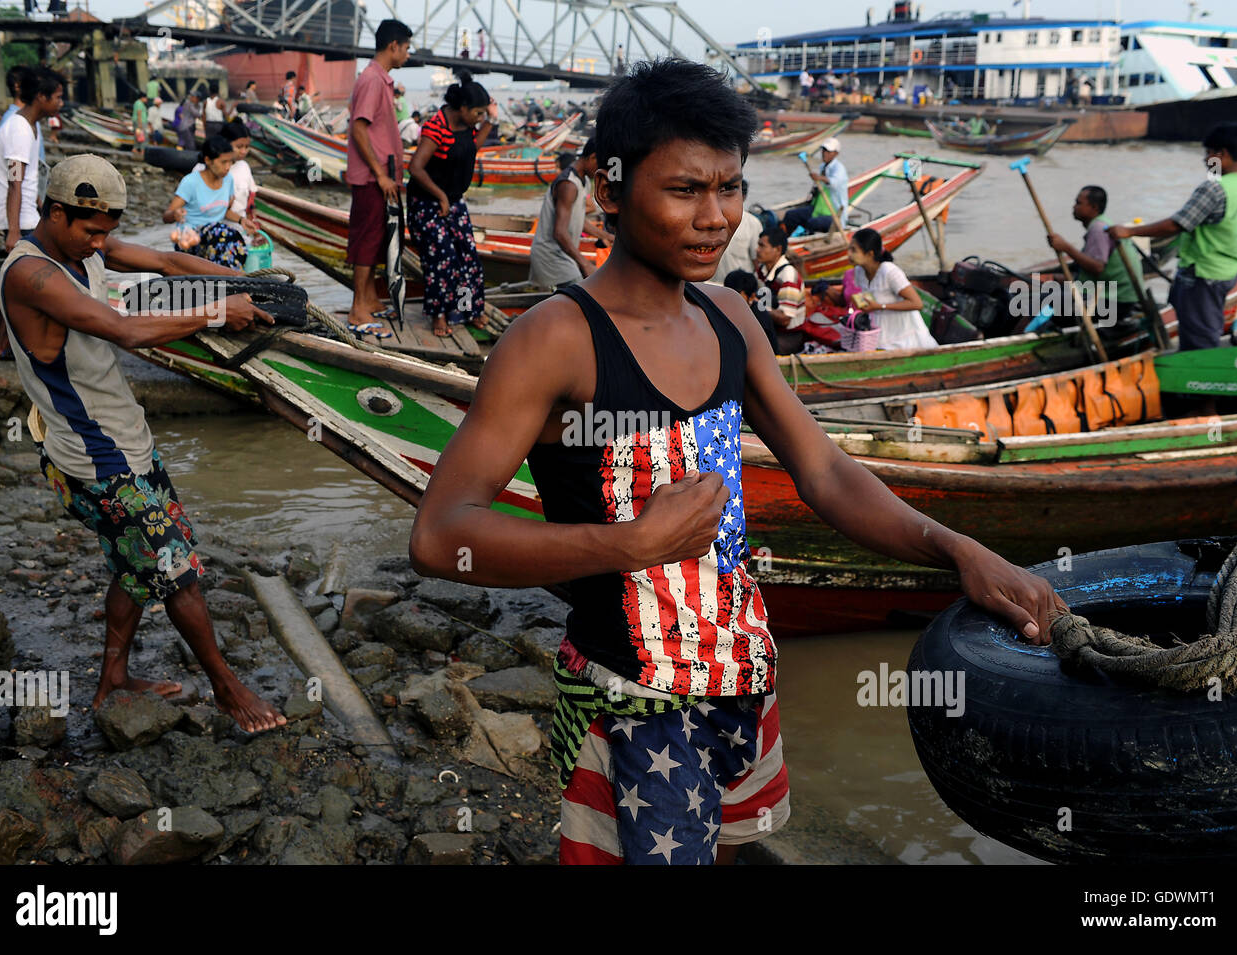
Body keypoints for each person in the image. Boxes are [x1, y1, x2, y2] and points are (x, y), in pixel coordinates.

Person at [406, 59, 1063, 866]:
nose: (715, 217)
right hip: (633, 698)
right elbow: (442, 535)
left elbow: (825, 472)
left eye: (731, 188)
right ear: (610, 191)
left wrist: (955, 548)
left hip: (744, 673)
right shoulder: (553, 340)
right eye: (685, 190)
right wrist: (624, 546)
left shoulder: (728, 319)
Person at [0, 155, 285, 734]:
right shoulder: (31, 275)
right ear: (55, 212)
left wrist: (246, 287)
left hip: (126, 440)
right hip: (94, 461)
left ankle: (113, 681)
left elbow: (167, 260)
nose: (102, 242)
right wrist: (213, 315)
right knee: (176, 569)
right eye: (91, 231)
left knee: (135, 565)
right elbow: (122, 328)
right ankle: (229, 692)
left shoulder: (84, 247)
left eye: (107, 231)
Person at [1108, 123, 1237, 352]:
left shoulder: (1214, 188)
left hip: (1203, 273)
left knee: (1200, 338)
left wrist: (1129, 231)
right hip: (1229, 270)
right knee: (1204, 324)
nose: (1205, 160)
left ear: (1222, 154)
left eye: (1209, 154)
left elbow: (1176, 224)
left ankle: (1202, 381)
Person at [406, 71, 498, 337]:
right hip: (427, 202)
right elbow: (416, 167)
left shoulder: (468, 125)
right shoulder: (437, 127)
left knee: (468, 257)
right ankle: (439, 315)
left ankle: (468, 309)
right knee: (442, 258)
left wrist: (491, 121)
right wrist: (441, 196)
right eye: (478, 114)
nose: (479, 119)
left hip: (454, 201)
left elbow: (471, 147)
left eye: (483, 115)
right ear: (464, 108)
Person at [0, 68, 64, 360]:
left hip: (29, 212)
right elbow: (14, 180)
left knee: (20, 284)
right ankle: (5, 346)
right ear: (41, 97)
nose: (61, 104)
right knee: (19, 286)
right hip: (19, 218)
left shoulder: (31, 125)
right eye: (57, 97)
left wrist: (41, 204)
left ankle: (9, 345)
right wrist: (14, 230)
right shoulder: (18, 129)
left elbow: (28, 178)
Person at [345, 18, 412, 330]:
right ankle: (358, 307)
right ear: (393, 46)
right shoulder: (373, 79)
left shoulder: (379, 79)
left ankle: (370, 298)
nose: (408, 54)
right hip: (373, 178)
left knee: (375, 239)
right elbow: (358, 127)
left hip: (380, 177)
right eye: (407, 47)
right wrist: (381, 174)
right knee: (367, 240)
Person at [1046, 185, 1142, 327]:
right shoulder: (1102, 224)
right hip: (1114, 296)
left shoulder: (1098, 229)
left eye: (1079, 203)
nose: (1074, 207)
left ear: (1094, 208)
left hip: (1115, 303)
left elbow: (1097, 267)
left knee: (1042, 305)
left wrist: (1065, 247)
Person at [163, 136, 256, 269]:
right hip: (191, 239)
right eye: (223, 162)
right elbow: (166, 216)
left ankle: (231, 279)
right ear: (208, 160)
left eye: (230, 162)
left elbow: (224, 210)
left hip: (215, 240)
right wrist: (175, 214)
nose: (228, 167)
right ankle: (229, 279)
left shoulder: (228, 180)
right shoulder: (191, 182)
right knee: (225, 235)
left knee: (233, 240)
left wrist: (242, 220)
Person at [840, 226, 937, 350]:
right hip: (880, 334)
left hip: (905, 337)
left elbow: (917, 303)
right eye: (849, 249)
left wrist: (880, 306)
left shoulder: (889, 271)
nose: (849, 254)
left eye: (854, 250)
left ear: (870, 254)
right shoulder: (858, 272)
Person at [529, 140, 610, 288]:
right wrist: (585, 264)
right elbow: (559, 233)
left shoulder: (583, 181)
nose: (602, 171)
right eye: (601, 166)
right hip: (550, 256)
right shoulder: (568, 185)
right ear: (592, 158)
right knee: (580, 292)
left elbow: (578, 220)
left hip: (564, 254)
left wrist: (606, 236)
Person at [191, 119, 257, 221]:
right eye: (239, 147)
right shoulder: (202, 169)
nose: (244, 151)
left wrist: (251, 223)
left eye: (247, 147)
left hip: (238, 222)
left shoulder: (244, 166)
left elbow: (251, 201)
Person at [755, 226, 806, 354]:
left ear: (777, 249)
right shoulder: (762, 270)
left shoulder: (787, 276)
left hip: (789, 336)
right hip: (771, 329)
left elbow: (784, 319)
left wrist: (757, 306)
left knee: (755, 352)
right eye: (758, 245)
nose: (757, 250)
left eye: (762, 246)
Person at [782, 137, 847, 236]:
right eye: (823, 150)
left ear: (836, 153)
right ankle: (788, 238)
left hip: (833, 213)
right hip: (818, 208)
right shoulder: (822, 167)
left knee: (812, 223)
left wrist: (820, 178)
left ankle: (804, 238)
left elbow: (835, 182)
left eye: (828, 151)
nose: (824, 153)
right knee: (790, 215)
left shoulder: (839, 169)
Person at [710, 178, 761, 283]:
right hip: (712, 283)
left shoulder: (752, 223)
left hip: (740, 288)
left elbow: (757, 260)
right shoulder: (711, 220)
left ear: (744, 196)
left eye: (732, 193)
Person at [722, 268, 779, 352]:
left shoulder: (759, 317)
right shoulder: (727, 309)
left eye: (737, 296)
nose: (730, 299)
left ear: (752, 297)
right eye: (727, 294)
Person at [130, 91, 149, 159]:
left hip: (138, 122)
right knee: (143, 136)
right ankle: (142, 151)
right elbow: (139, 113)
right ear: (142, 98)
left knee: (138, 136)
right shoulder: (139, 103)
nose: (146, 99)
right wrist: (140, 124)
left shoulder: (137, 103)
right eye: (146, 98)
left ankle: (135, 149)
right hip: (140, 122)